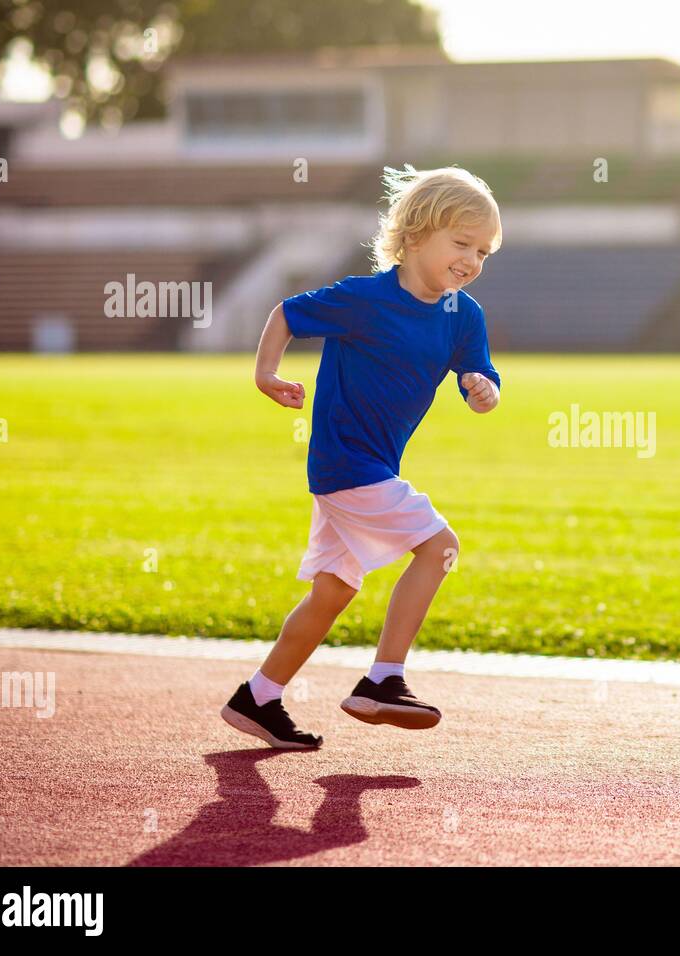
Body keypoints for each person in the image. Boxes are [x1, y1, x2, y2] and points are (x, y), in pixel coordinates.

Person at [220, 164, 502, 748]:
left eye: (483, 251)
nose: (472, 260)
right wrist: (266, 374)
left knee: (333, 590)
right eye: (461, 243)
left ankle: (259, 697)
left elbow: (482, 385)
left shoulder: (463, 315)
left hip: (366, 471)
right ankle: (384, 679)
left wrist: (483, 389)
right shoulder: (364, 299)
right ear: (417, 233)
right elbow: (287, 314)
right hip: (348, 466)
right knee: (440, 547)